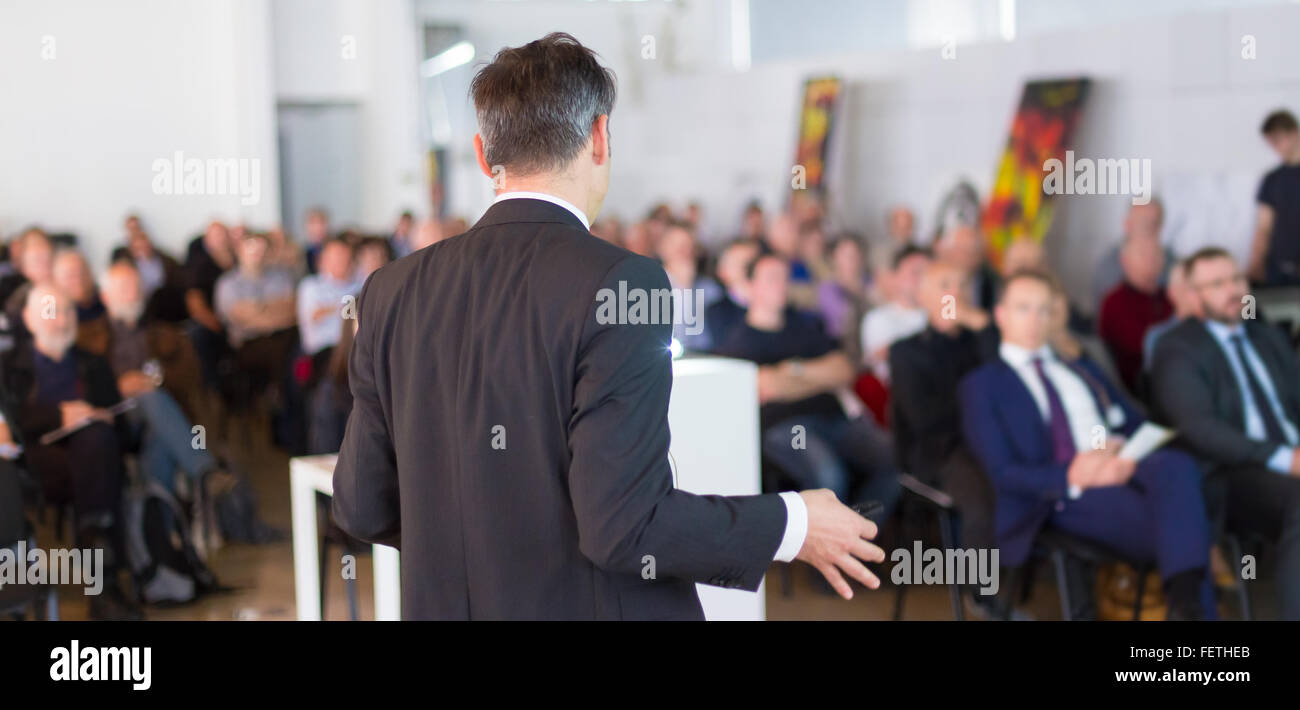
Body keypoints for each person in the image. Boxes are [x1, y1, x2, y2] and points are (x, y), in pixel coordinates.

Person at [332, 33, 885, 619]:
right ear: (599, 137)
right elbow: (624, 525)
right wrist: (792, 523)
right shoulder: (621, 281)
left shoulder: (391, 289)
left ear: (481, 152)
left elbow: (362, 504)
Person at [961, 269, 1216, 620]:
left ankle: (1185, 609)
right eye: (1024, 308)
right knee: (1186, 523)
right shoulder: (983, 384)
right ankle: (1191, 611)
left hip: (1124, 467)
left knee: (1177, 465)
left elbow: (1133, 421)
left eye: (1044, 310)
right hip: (1063, 495)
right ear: (1001, 315)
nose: (1036, 319)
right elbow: (1004, 474)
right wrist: (1076, 474)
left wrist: (1121, 450)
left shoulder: (1079, 367)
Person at [1150, 247, 1300, 619]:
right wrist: (1286, 458)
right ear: (1194, 296)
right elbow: (1200, 429)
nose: (1233, 290)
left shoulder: (1266, 336)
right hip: (1231, 475)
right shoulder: (1177, 347)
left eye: (1237, 279)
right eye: (1217, 284)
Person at [715, 250, 900, 513]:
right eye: (771, 278)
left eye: (783, 278)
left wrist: (793, 369)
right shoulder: (738, 340)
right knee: (829, 478)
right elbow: (767, 385)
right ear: (750, 285)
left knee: (893, 460)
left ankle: (858, 538)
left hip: (835, 419)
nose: (781, 285)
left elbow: (844, 370)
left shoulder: (804, 325)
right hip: (786, 428)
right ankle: (833, 546)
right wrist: (818, 376)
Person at [3, 284, 141, 620]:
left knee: (97, 439)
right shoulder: (9, 367)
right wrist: (60, 415)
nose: (60, 320)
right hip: (35, 463)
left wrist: (97, 415)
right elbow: (10, 419)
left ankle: (95, 547)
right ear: (29, 319)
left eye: (66, 311)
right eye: (50, 312)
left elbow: (121, 430)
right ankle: (102, 570)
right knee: (98, 458)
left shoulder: (93, 364)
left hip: (92, 458)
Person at [889, 261, 998, 554]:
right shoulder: (906, 351)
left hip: (985, 443)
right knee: (982, 501)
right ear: (923, 297)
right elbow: (925, 420)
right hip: (940, 452)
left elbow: (1006, 384)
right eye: (945, 286)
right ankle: (982, 593)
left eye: (962, 286)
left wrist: (985, 328)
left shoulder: (979, 342)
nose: (956, 294)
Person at [100, 262, 228, 496]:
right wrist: (118, 387)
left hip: (163, 413)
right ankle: (204, 471)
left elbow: (190, 378)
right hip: (116, 415)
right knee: (150, 400)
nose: (132, 293)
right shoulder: (92, 335)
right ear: (106, 296)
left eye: (136, 286)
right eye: (124, 287)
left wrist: (155, 382)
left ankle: (158, 522)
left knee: (159, 437)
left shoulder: (166, 334)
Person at [1097, 231, 1172, 393]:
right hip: (1135, 387)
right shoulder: (1114, 302)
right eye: (1144, 255)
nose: (1151, 260)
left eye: (1157, 254)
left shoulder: (1171, 296)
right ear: (1125, 261)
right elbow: (1136, 349)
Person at [860, 245, 930, 381]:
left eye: (928, 272)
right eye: (915, 272)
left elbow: (951, 338)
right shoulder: (877, 318)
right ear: (895, 276)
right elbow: (887, 364)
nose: (923, 279)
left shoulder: (942, 311)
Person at [1248, 109, 1300, 286]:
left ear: (1294, 132)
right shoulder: (1272, 179)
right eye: (1271, 142)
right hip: (1278, 269)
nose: (1275, 147)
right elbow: (1263, 226)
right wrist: (1256, 262)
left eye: (1278, 140)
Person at [655, 220, 720, 352]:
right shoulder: (647, 286)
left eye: (687, 246)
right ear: (662, 248)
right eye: (676, 245)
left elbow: (703, 340)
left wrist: (686, 289)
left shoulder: (710, 289)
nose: (681, 252)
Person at [1142, 259, 1200, 375]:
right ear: (1171, 293)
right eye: (1186, 287)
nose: (1194, 293)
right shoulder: (1158, 336)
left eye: (1197, 286)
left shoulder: (1219, 327)